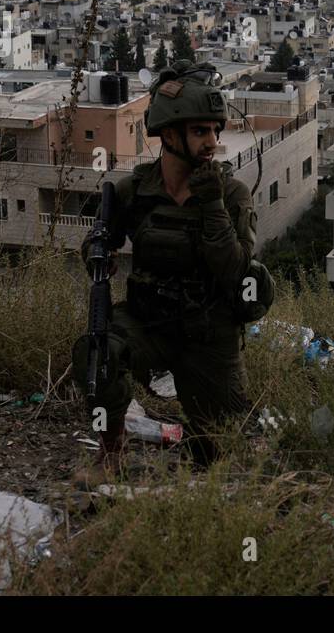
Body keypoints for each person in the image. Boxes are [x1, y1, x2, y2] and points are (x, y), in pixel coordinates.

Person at [72, 61, 256, 487]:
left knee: (218, 458)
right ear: (169, 135)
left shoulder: (230, 193)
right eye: (199, 132)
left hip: (209, 333)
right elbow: (100, 237)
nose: (212, 142)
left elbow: (235, 272)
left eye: (214, 130)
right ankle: (110, 453)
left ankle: (200, 444)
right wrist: (96, 252)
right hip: (147, 323)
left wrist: (211, 207)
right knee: (97, 354)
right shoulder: (135, 191)